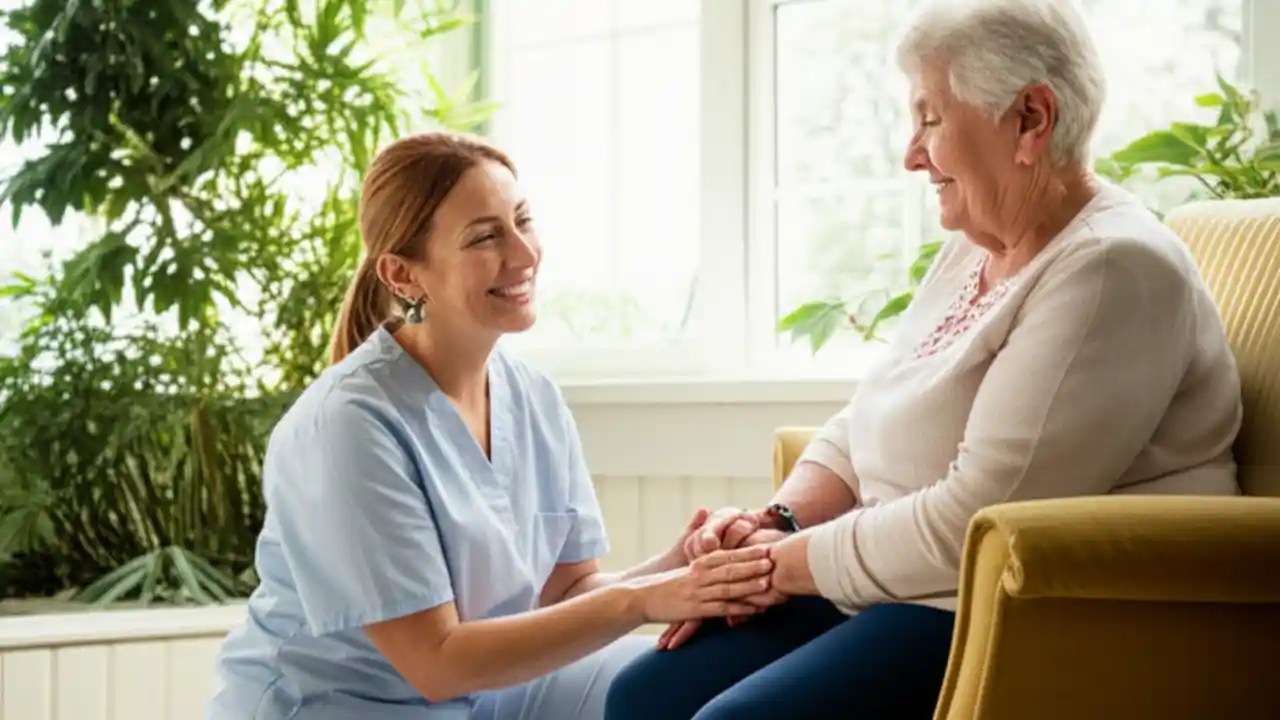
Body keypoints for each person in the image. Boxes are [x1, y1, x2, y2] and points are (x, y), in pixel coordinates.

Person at [605, 1, 1243, 718]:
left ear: (1031, 119)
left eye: (930, 120)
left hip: (1023, 609)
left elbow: (979, 520)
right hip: (901, 582)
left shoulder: (1110, 269)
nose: (911, 154)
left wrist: (770, 567)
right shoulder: (974, 247)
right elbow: (869, 415)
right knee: (645, 693)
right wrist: (778, 521)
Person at [207, 132, 781, 720]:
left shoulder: (532, 396)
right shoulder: (346, 428)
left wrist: (683, 564)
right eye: (485, 237)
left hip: (493, 695)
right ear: (402, 274)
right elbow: (436, 663)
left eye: (522, 220)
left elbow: (566, 594)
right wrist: (645, 599)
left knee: (703, 679)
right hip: (347, 708)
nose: (524, 254)